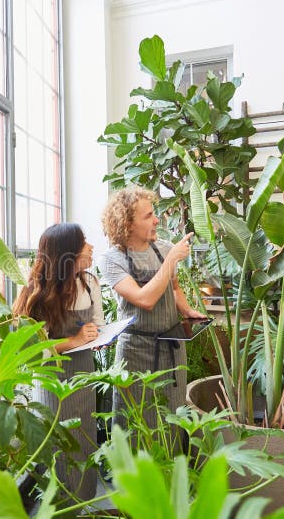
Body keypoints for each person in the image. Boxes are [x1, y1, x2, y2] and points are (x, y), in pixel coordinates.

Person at [97, 186, 205, 428]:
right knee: (134, 421)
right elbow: (144, 300)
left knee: (171, 419)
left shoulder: (164, 248)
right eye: (148, 216)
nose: (157, 220)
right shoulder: (111, 260)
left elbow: (174, 288)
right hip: (135, 352)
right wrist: (171, 259)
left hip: (171, 349)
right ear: (127, 224)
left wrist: (187, 311)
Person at [12, 223, 103, 500]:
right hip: (52, 385)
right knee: (59, 448)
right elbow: (30, 352)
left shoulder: (90, 283)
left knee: (84, 443)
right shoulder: (35, 294)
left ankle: (83, 503)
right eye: (84, 242)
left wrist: (99, 335)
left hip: (84, 378)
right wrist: (73, 341)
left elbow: (98, 323)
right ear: (67, 253)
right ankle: (61, 509)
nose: (90, 247)